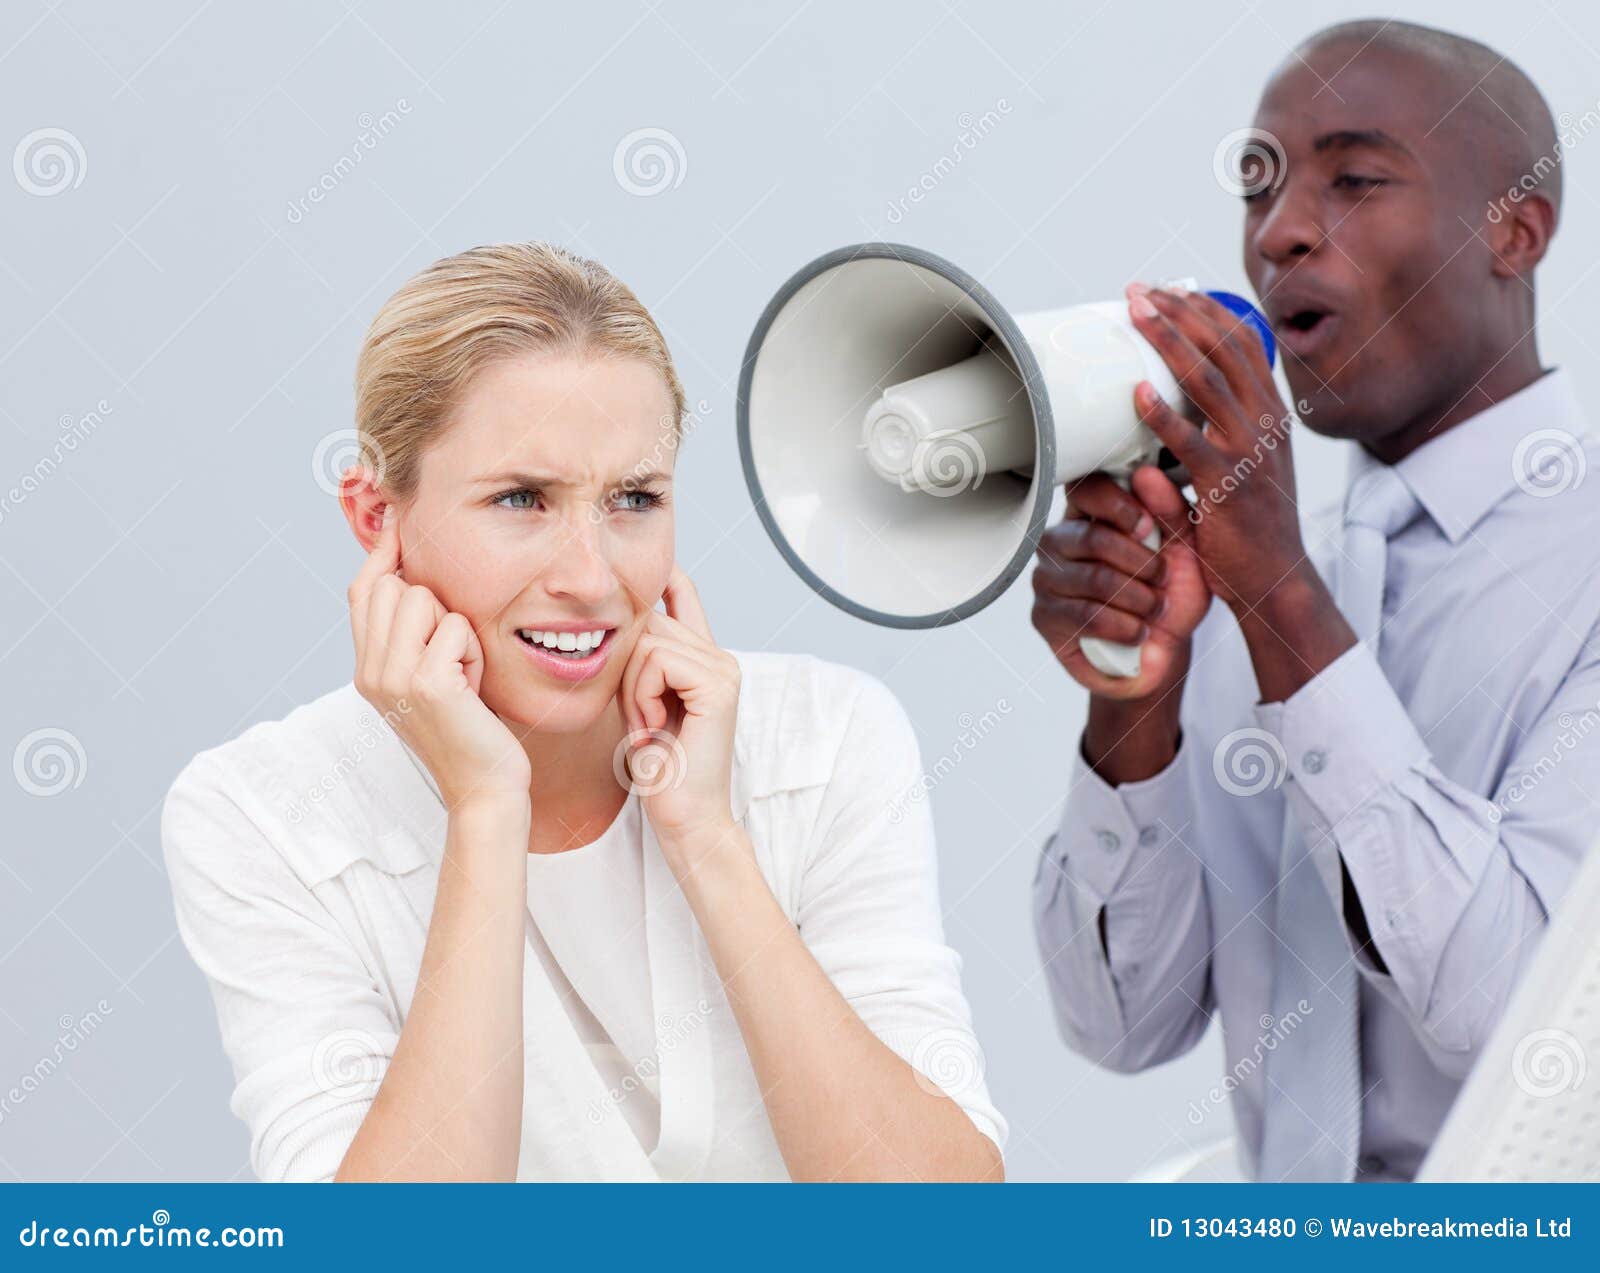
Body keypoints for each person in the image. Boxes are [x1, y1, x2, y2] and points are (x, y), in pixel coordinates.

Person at [162, 242, 1005, 1182]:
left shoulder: (829, 734)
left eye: (634, 499)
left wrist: (709, 837)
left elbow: (942, 1221)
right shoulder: (258, 814)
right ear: (375, 518)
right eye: (521, 498)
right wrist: (485, 810)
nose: (591, 578)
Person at [1031, 20, 1598, 1182]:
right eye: (1260, 184)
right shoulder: (1253, 568)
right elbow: (1118, 1024)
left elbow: (1536, 1053)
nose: (1280, 230)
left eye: (1354, 178)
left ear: (1515, 229)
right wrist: (1133, 693)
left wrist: (1287, 604)